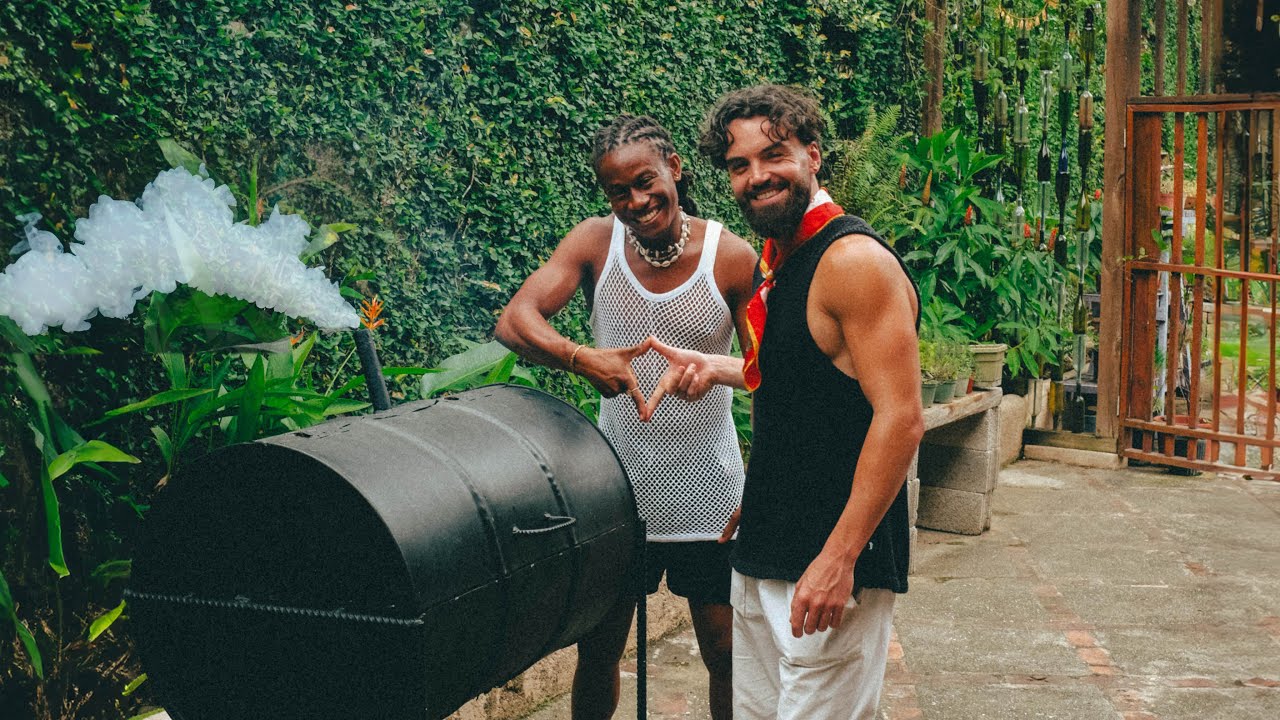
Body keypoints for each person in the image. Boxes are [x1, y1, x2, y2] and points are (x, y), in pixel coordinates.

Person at [649, 84, 924, 719]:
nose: (757, 177)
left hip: (827, 568)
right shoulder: (787, 258)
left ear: (813, 155)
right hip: (766, 544)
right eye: (739, 165)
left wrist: (839, 557)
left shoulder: (852, 262)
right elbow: (808, 380)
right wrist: (720, 367)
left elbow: (901, 417)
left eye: (774, 155)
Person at [494, 114, 757, 720]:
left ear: (675, 170)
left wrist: (713, 371)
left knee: (725, 650)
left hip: (709, 493)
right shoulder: (594, 242)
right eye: (618, 191)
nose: (636, 201)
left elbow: (772, 370)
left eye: (646, 181)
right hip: (615, 492)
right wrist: (581, 357)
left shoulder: (732, 257)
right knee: (598, 647)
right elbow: (515, 321)